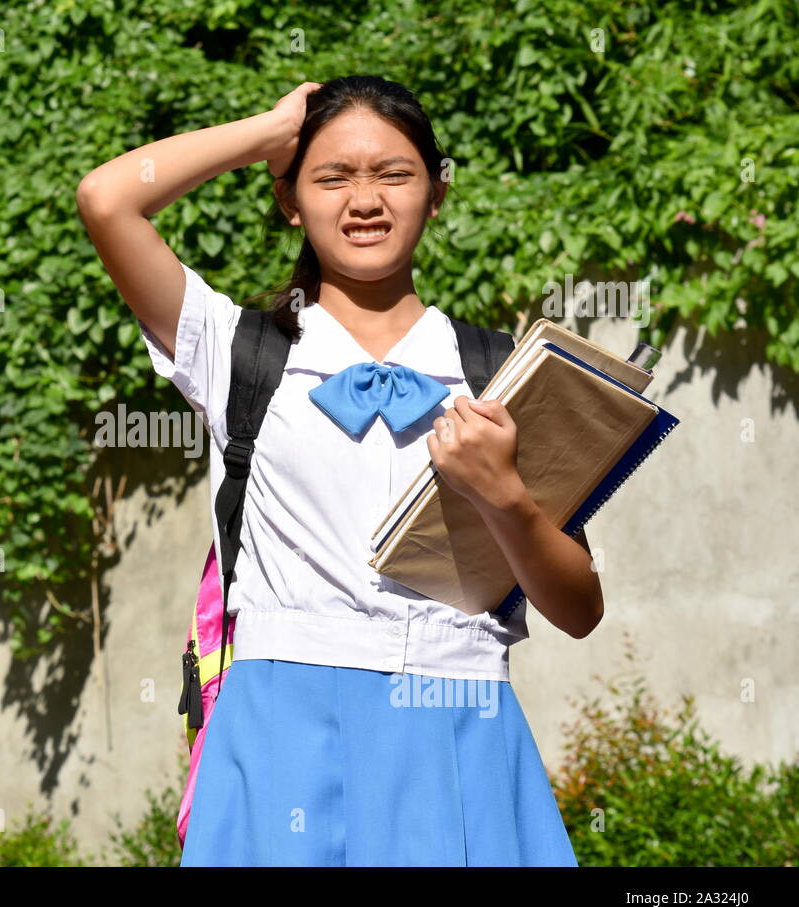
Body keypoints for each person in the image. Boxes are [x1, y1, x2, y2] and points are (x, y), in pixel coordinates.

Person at [76, 75, 602, 866]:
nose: (365, 199)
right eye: (333, 177)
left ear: (437, 193)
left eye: (395, 174)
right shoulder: (234, 350)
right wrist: (269, 130)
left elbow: (580, 605)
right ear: (289, 199)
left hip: (460, 726)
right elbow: (107, 198)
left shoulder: (503, 373)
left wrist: (505, 497)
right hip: (281, 728)